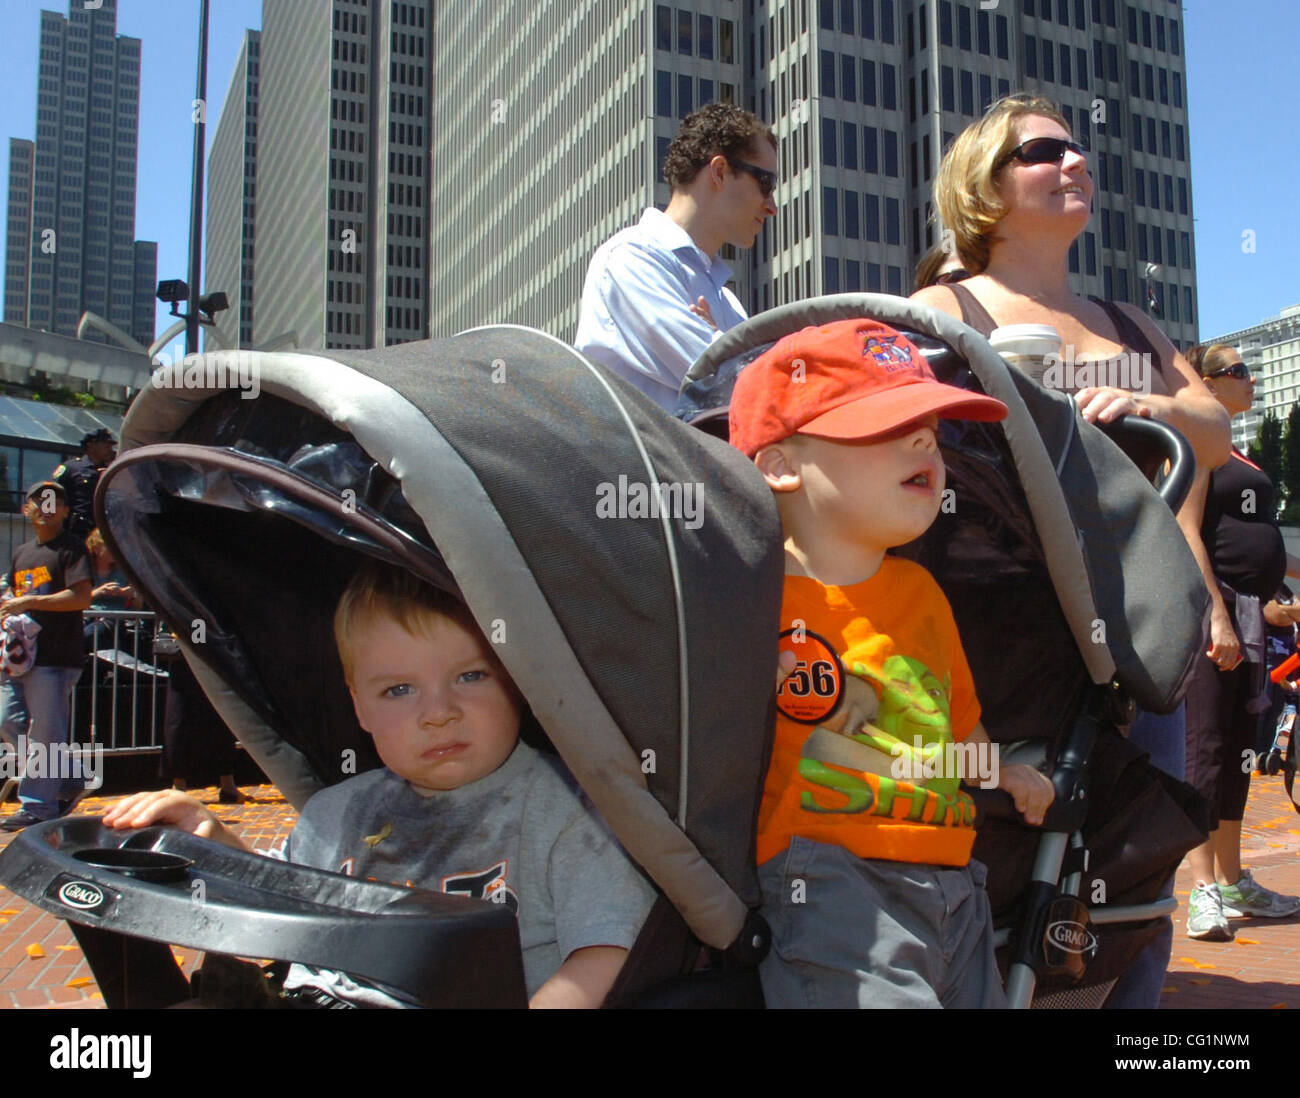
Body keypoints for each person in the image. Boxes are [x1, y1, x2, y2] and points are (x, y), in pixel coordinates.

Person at [912, 93, 1232, 1008]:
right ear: (985, 186)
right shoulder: (944, 306)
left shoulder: (1127, 320)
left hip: (1138, 620)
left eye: (1079, 149)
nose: (1074, 162)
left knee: (1139, 851)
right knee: (1006, 842)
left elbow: (1212, 433)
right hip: (1013, 629)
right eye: (1045, 152)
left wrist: (1155, 408)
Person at [105, 560, 655, 1008]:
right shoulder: (338, 812)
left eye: (470, 676)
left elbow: (608, 952)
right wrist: (214, 841)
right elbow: (283, 901)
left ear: (517, 679)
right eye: (398, 690)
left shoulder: (568, 811)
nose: (439, 713)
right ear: (358, 706)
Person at [728, 317, 1056, 1008]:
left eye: (933, 435)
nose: (922, 445)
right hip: (827, 877)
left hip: (953, 872)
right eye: (885, 429)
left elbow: (956, 723)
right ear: (782, 466)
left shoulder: (922, 593)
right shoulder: (747, 599)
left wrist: (1005, 772)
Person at [1180, 344, 1300, 939]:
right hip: (1216, 616)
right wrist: (1216, 618)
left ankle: (1232, 878)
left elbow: (1262, 537)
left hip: (1250, 618)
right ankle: (1202, 888)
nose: (1250, 380)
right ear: (1206, 383)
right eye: (1238, 372)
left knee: (1236, 754)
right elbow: (1187, 531)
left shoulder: (1239, 453)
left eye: (1252, 371)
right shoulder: (1200, 444)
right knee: (1203, 750)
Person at [575, 102, 778, 410]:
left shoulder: (727, 302)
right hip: (638, 459)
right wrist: (723, 348)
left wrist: (722, 343)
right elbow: (730, 382)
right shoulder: (630, 259)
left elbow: (760, 386)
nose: (772, 206)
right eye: (766, 183)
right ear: (720, 172)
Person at [0, 481, 93, 829]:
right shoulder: (22, 552)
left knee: (47, 733)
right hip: (20, 657)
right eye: (40, 501)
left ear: (66, 511)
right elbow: (15, 590)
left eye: (55, 502)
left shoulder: (72, 549)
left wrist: (31, 602)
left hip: (56, 657)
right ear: (27, 509)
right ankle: (67, 776)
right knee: (7, 721)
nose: (47, 507)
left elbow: (81, 597)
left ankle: (39, 807)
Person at [53, 429, 116, 542]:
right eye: (106, 445)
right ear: (91, 446)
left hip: (105, 532)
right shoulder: (72, 468)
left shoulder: (113, 469)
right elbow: (53, 493)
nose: (110, 449)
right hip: (78, 532)